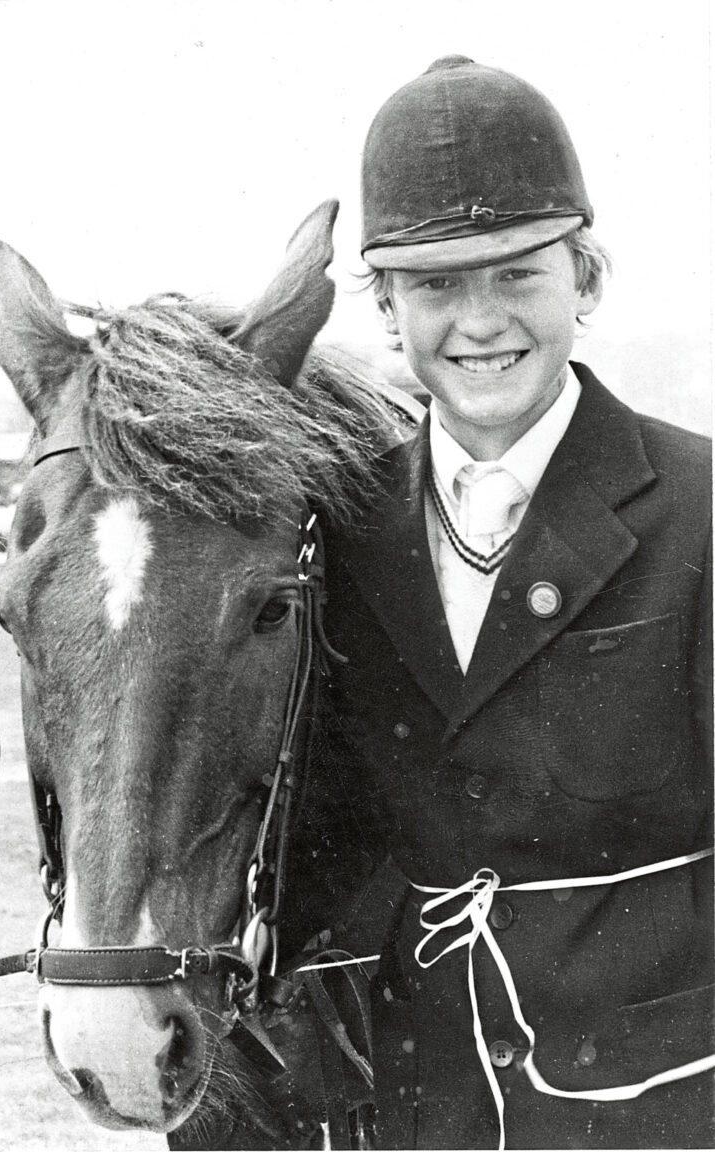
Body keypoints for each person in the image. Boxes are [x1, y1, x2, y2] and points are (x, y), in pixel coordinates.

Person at [301, 55, 713, 1150]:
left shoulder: (700, 510)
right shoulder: (339, 532)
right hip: (419, 1101)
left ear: (582, 280)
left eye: (515, 274)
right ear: (385, 309)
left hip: (657, 1102)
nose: (477, 321)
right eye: (434, 283)